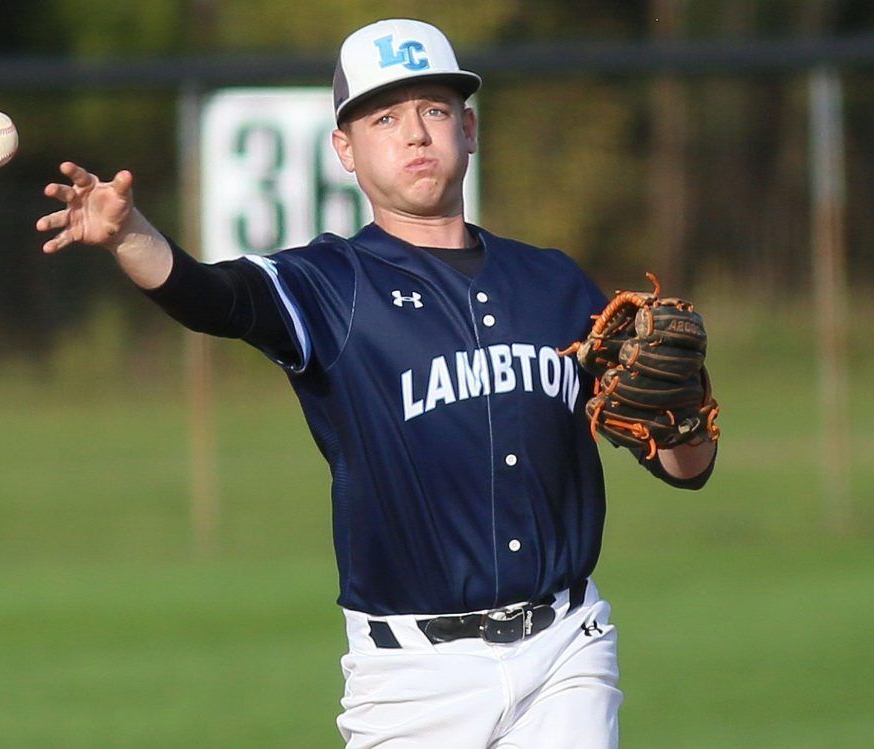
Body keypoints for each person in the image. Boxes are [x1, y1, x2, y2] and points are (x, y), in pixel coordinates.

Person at [37, 18, 717, 748]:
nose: (416, 134)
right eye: (385, 117)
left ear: (469, 127)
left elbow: (687, 468)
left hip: (567, 650)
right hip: (413, 681)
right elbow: (213, 296)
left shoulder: (555, 282)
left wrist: (681, 408)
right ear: (346, 150)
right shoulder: (328, 285)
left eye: (434, 109)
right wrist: (131, 232)